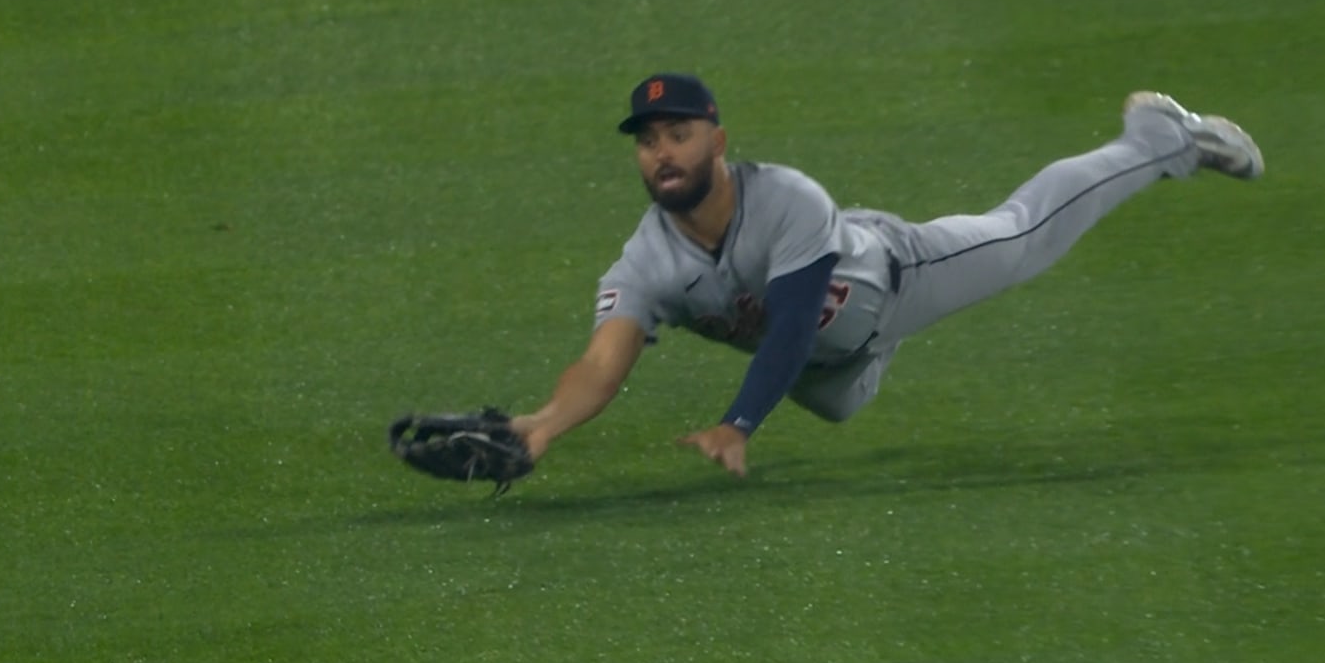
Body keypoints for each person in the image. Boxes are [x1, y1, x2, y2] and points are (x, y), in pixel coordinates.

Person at [508, 73, 1263, 477]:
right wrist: (543, 425)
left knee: (1022, 233)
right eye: (647, 141)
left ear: (718, 141)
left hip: (899, 273)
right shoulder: (646, 262)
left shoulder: (786, 199)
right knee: (838, 404)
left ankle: (1163, 141)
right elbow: (601, 364)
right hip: (827, 365)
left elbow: (797, 316)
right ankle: (864, 357)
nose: (662, 152)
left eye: (680, 133)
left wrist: (737, 425)